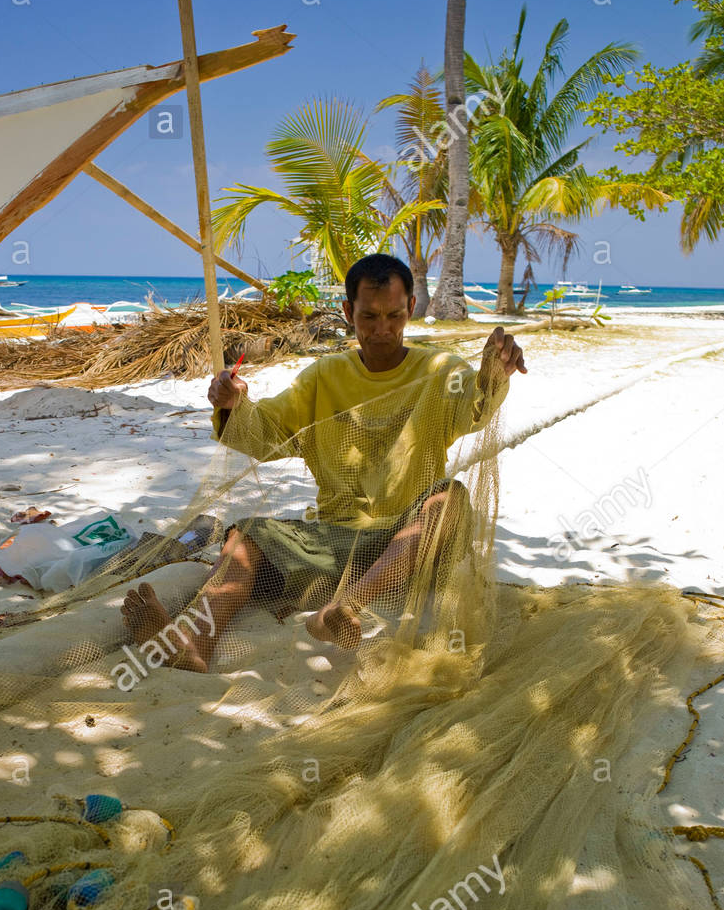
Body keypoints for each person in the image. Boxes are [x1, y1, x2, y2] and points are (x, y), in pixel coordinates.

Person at [122, 253, 527, 672]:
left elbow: (475, 408)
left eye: (394, 315)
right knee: (248, 536)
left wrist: (493, 373)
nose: (383, 330)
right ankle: (193, 646)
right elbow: (268, 433)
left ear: (410, 309)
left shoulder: (442, 371)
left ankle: (343, 609)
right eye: (369, 316)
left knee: (449, 499)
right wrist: (233, 404)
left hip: (412, 543)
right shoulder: (323, 377)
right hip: (333, 543)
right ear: (348, 312)